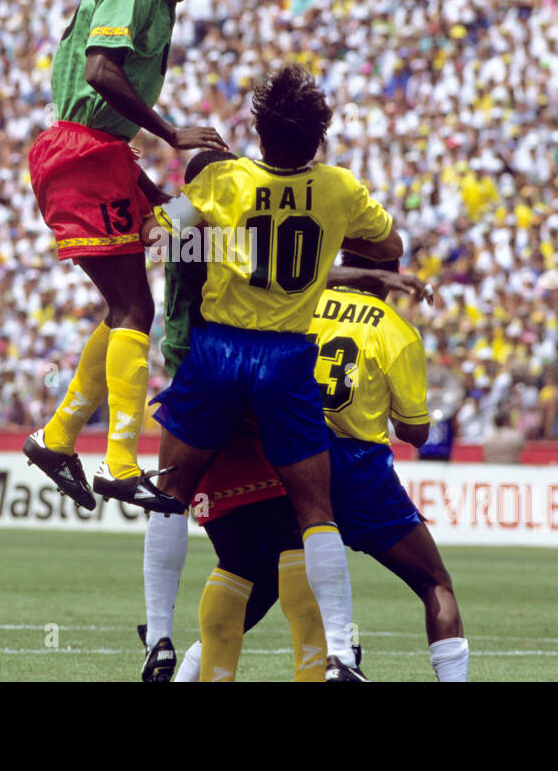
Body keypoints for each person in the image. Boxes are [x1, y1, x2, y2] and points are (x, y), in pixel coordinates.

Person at [140, 65, 402, 681]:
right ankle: (340, 653)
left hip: (217, 351)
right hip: (286, 358)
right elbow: (389, 246)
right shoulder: (340, 188)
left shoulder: (225, 179)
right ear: (319, 136)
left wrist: (184, 217)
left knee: (170, 491)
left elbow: (158, 236)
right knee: (315, 510)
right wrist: (333, 241)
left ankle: (158, 637)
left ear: (258, 131)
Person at [170, 251, 468, 682]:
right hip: (359, 468)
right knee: (434, 582)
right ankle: (343, 659)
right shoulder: (396, 330)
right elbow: (415, 433)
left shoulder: (299, 302)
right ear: (389, 277)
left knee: (255, 577)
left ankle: (189, 669)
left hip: (286, 455)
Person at [22, 0, 228, 513]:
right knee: (136, 309)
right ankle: (117, 464)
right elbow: (99, 70)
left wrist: (147, 189)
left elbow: (101, 113)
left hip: (99, 152)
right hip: (81, 152)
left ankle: (57, 438)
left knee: (126, 310)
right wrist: (170, 134)